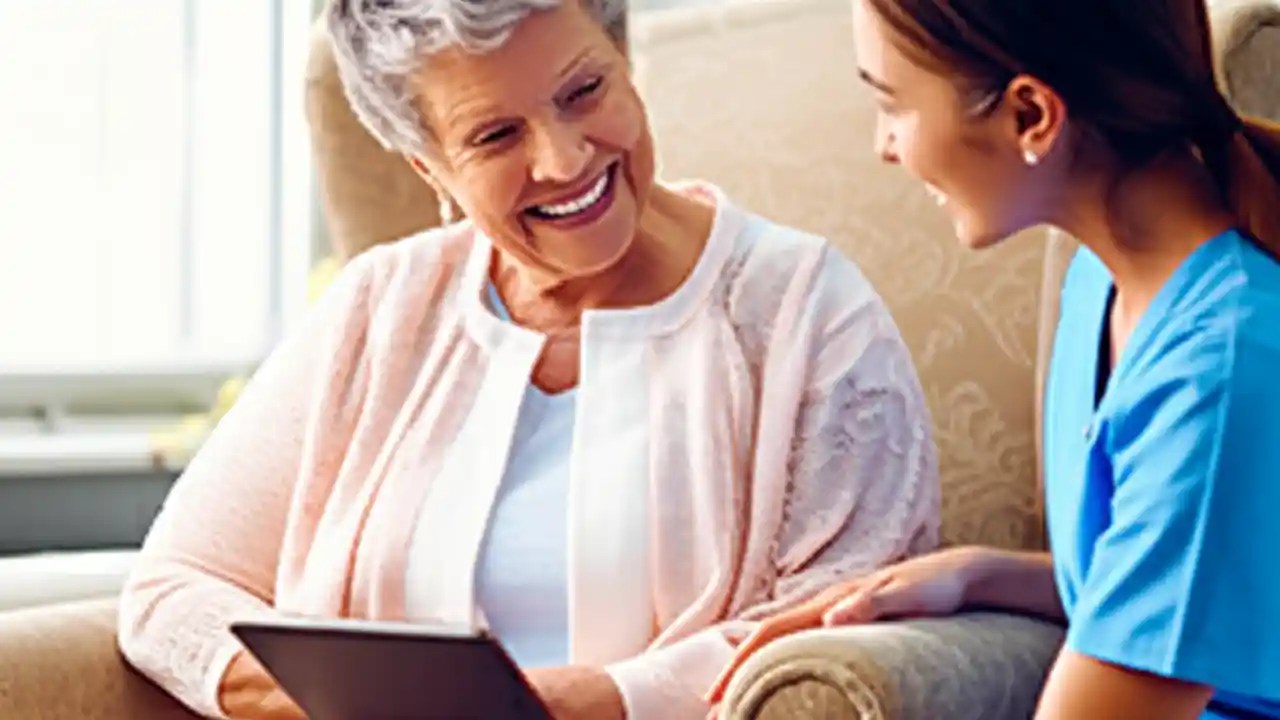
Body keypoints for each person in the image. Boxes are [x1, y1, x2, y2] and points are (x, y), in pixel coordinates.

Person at [116, 1, 941, 719]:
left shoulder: (804, 312)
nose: (564, 159)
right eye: (495, 134)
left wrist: (601, 703)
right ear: (428, 167)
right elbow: (171, 593)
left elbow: (849, 620)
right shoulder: (382, 307)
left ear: (624, 60)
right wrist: (362, 703)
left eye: (584, 92)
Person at [708, 0, 1280, 717]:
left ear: (1031, 115)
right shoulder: (1103, 283)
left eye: (891, 104)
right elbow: (1169, 594)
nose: (884, 145)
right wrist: (975, 575)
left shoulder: (1220, 371)